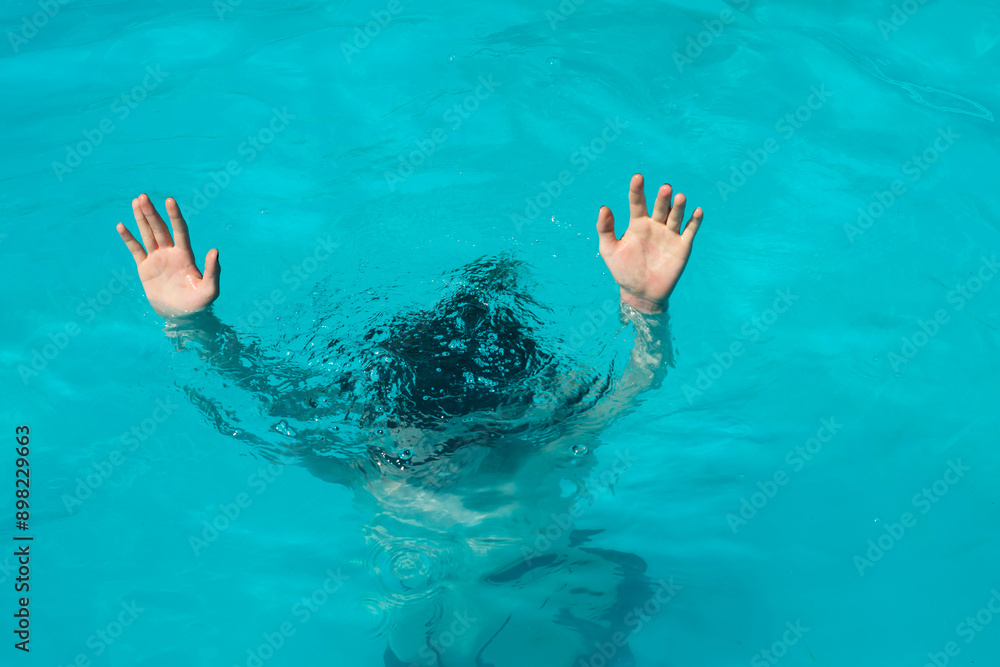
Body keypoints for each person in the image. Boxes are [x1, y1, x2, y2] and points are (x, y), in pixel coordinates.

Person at [116, 174, 703, 666]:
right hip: (432, 626)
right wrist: (192, 326)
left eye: (444, 449)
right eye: (409, 444)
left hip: (551, 595)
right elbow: (255, 393)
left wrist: (646, 307)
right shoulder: (367, 463)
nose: (423, 463)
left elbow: (634, 384)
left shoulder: (530, 454)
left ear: (481, 437)